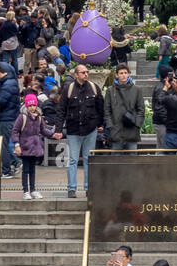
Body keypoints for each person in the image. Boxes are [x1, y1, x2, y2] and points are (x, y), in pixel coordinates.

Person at [51, 61, 104, 197]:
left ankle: (88, 188)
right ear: (76, 75)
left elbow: (100, 108)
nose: (86, 74)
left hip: (90, 129)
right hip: (73, 130)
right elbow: (61, 110)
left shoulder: (93, 87)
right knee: (73, 159)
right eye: (83, 72)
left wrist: (100, 124)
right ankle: (72, 188)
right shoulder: (68, 89)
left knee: (88, 159)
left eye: (87, 72)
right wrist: (58, 129)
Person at [12, 92, 56, 199]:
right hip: (25, 147)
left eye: (33, 105)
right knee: (26, 170)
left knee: (32, 170)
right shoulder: (22, 117)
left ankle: (33, 189)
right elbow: (15, 131)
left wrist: (53, 134)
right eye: (29, 105)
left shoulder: (39, 118)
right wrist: (17, 145)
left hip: (35, 148)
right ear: (26, 106)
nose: (32, 108)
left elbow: (43, 130)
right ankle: (25, 191)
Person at [103, 63, 144, 152]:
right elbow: (107, 110)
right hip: (116, 130)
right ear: (117, 75)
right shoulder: (110, 90)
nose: (124, 75)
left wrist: (137, 125)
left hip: (132, 130)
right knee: (116, 160)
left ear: (129, 74)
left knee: (132, 160)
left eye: (125, 72)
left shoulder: (137, 89)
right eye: (121, 73)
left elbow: (141, 109)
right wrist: (110, 127)